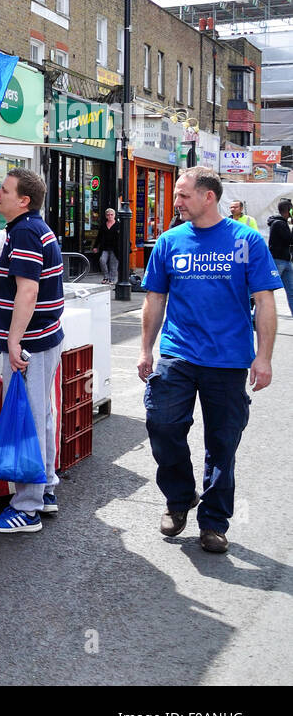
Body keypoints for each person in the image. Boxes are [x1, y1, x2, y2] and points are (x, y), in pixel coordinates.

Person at [138, 167, 280, 555]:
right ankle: (180, 498)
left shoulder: (246, 240)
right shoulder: (169, 242)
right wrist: (146, 349)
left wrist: (263, 357)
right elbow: (154, 299)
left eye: (183, 195)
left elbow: (265, 301)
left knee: (222, 443)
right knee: (163, 425)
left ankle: (214, 522)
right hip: (178, 353)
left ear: (208, 197)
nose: (176, 202)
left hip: (229, 359)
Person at [0, 169, 65, 533]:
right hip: (44, 338)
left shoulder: (26, 232)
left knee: (29, 420)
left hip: (31, 343)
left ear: (24, 200)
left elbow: (28, 292)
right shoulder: (31, 229)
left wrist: (14, 340)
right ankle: (44, 488)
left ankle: (27, 506)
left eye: (4, 189)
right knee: (40, 415)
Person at [267, 198, 293, 314]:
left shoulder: (282, 223)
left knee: (291, 291)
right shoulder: (279, 224)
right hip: (278, 261)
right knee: (267, 290)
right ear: (289, 210)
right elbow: (290, 240)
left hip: (286, 261)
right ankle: (255, 318)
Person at [94, 208, 122, 284]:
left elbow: (122, 237)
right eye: (108, 215)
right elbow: (99, 236)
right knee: (102, 260)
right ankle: (106, 277)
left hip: (115, 248)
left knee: (113, 265)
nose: (110, 216)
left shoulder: (118, 225)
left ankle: (112, 279)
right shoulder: (103, 225)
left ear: (114, 215)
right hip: (105, 247)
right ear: (106, 216)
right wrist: (95, 246)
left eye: (111, 214)